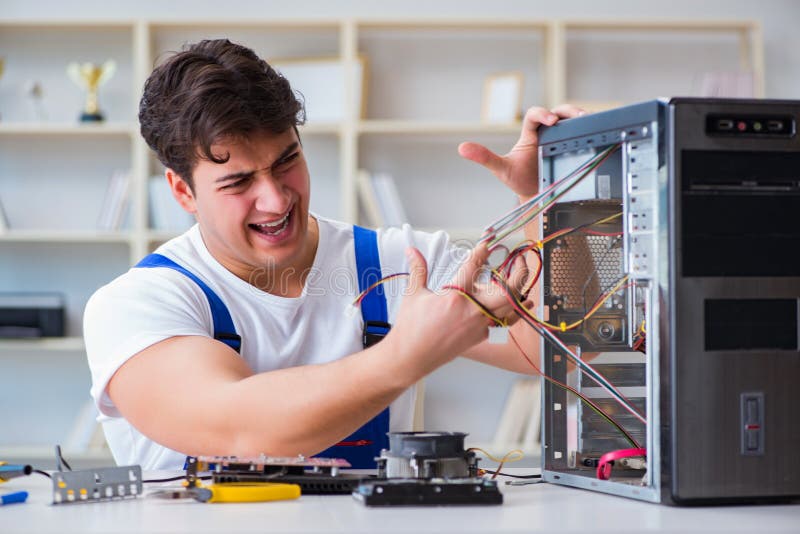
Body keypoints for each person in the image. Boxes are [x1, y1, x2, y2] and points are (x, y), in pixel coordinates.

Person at [83, 39, 581, 470]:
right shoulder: (137, 305)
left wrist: (553, 205)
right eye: (238, 182)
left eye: (287, 162)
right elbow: (241, 430)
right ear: (183, 192)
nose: (276, 200)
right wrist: (406, 354)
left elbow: (550, 349)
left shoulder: (402, 263)